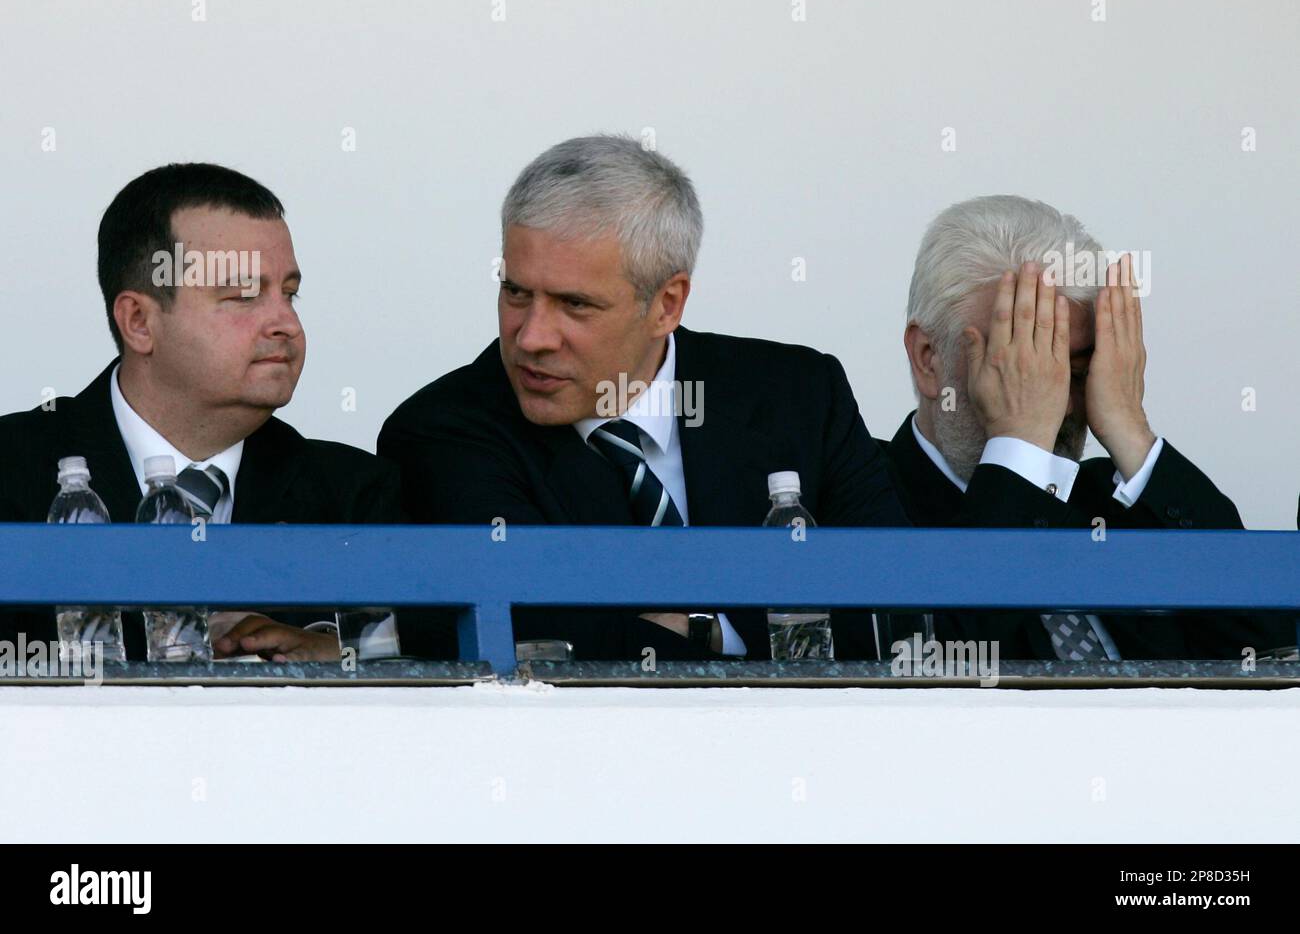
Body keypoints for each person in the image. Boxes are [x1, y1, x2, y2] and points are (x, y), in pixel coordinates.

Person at [379, 135, 909, 661]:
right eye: (516, 292)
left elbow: (898, 612)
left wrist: (692, 626)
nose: (532, 337)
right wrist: (745, 628)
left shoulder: (799, 396)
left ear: (667, 304)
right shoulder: (442, 429)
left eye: (574, 304)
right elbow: (548, 634)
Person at [0, 163, 454, 661]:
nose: (286, 323)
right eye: (242, 296)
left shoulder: (355, 493)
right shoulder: (11, 468)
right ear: (139, 322)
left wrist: (329, 652)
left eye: (289, 293)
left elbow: (435, 664)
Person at [885, 194, 1294, 659]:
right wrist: (1020, 448)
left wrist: (1130, 430)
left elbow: (1272, 644)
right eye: (1019, 363)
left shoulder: (1117, 502)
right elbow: (938, 667)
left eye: (1074, 373)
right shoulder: (861, 494)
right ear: (928, 358)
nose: (1051, 402)